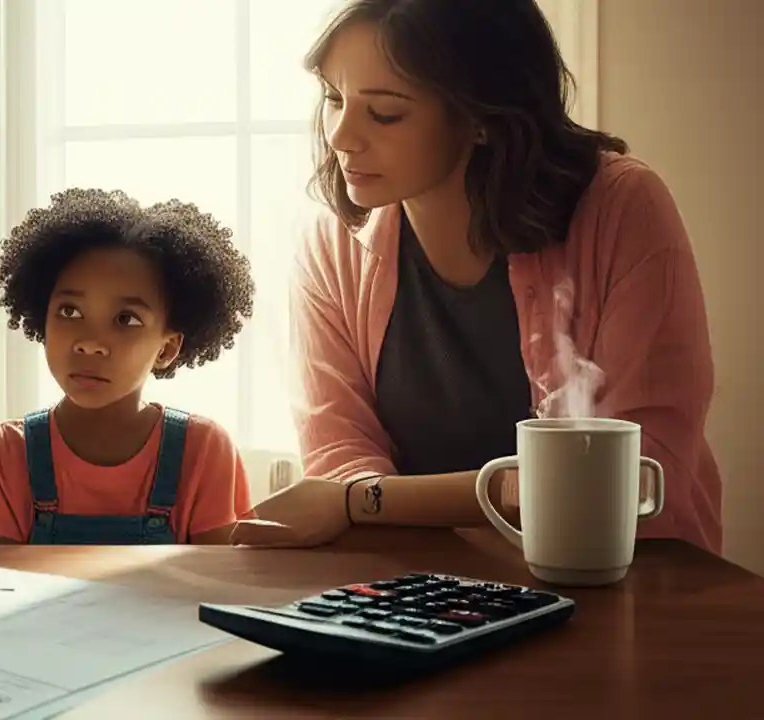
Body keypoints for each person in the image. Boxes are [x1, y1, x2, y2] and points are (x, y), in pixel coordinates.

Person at [232, 0, 721, 553]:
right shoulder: (332, 242)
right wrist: (359, 501)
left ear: (484, 118)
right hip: (421, 587)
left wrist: (359, 503)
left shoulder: (620, 208)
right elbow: (340, 455)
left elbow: (632, 476)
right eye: (334, 98)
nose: (342, 136)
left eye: (385, 113)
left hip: (627, 580)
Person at [0, 189, 256, 545]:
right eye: (70, 312)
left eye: (125, 319)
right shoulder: (6, 454)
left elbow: (215, 588)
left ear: (167, 348)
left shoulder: (205, 451)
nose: (90, 342)